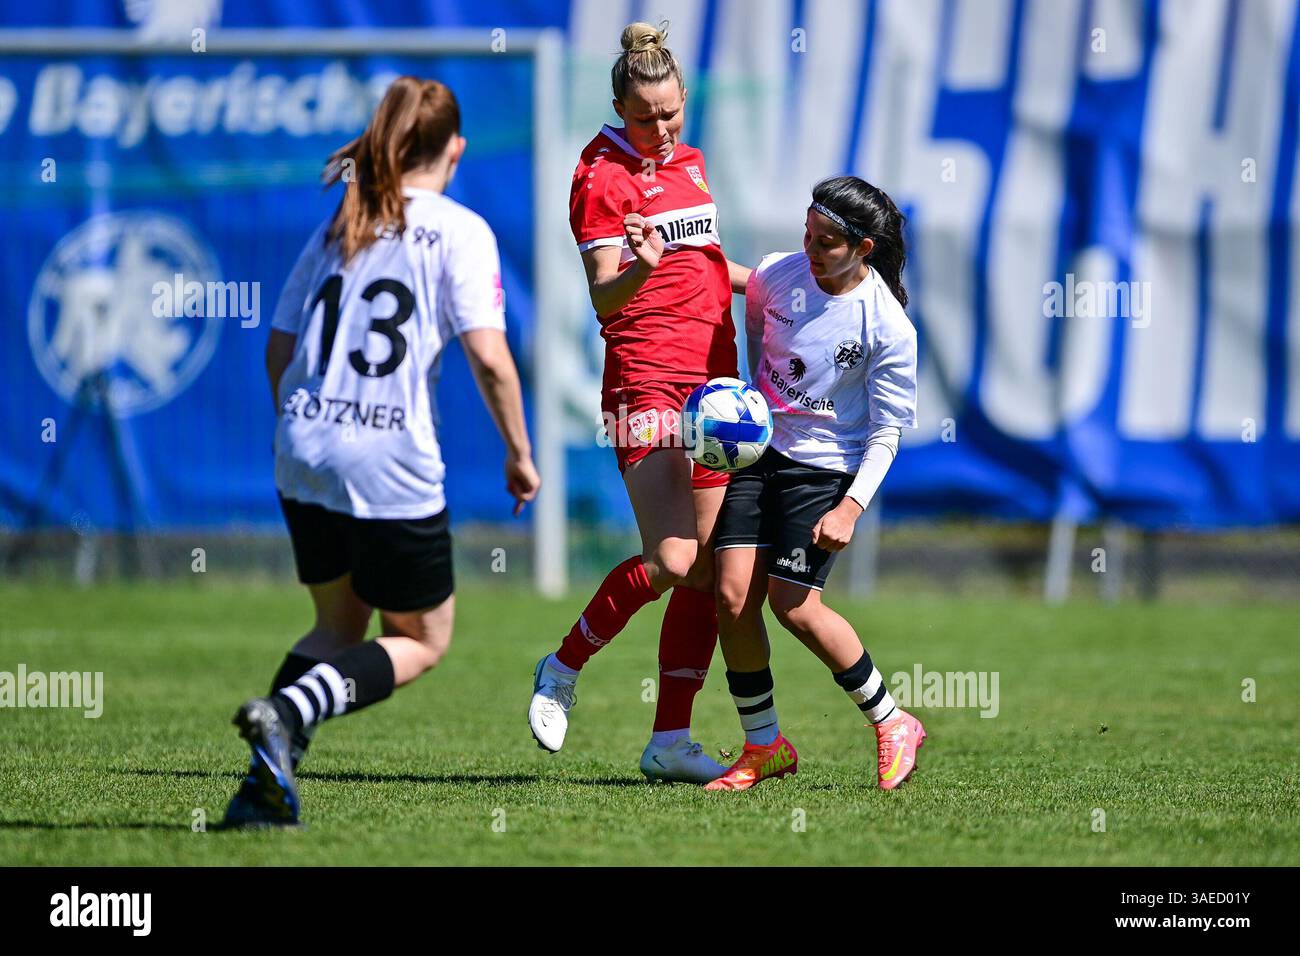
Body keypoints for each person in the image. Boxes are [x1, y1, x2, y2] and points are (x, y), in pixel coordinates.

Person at [222, 76, 540, 827]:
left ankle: (263, 785)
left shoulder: (346, 218)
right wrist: (520, 454)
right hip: (386, 457)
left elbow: (278, 346)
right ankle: (288, 710)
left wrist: (300, 424)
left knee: (336, 627)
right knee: (423, 639)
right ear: (455, 149)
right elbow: (491, 359)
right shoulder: (459, 230)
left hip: (302, 443)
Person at [527, 21, 752, 783]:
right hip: (645, 381)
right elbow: (604, 294)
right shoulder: (600, 175)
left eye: (670, 113)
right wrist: (642, 266)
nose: (660, 128)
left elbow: (711, 267)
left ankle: (669, 741)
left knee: (711, 569)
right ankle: (561, 666)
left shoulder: (689, 163)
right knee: (674, 556)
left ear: (684, 98)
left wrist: (794, 281)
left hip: (715, 386)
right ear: (619, 103)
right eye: (644, 116)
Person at [703, 176, 926, 792]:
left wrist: (852, 507)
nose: (810, 248)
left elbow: (886, 433)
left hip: (826, 467)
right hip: (758, 450)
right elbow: (737, 278)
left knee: (794, 605)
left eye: (825, 241)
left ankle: (892, 721)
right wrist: (672, 241)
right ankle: (764, 745)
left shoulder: (887, 327)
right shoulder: (784, 273)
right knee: (730, 596)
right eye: (807, 231)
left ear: (865, 247)